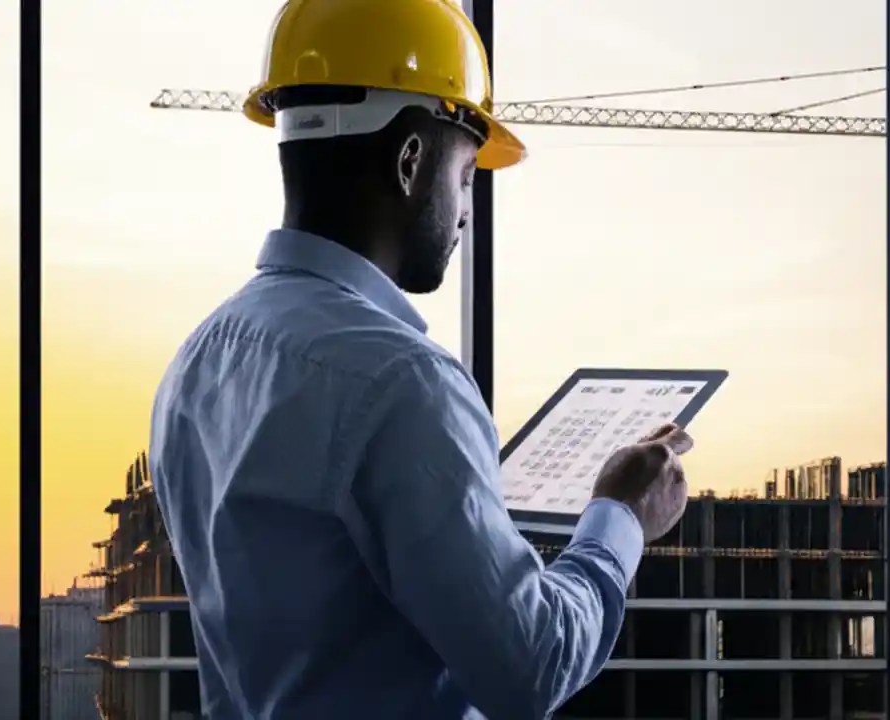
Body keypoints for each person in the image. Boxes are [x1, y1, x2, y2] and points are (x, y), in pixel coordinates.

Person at [146, 1, 693, 718]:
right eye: (466, 175)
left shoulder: (198, 362)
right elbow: (534, 664)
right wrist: (620, 515)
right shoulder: (406, 385)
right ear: (411, 161)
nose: (467, 209)